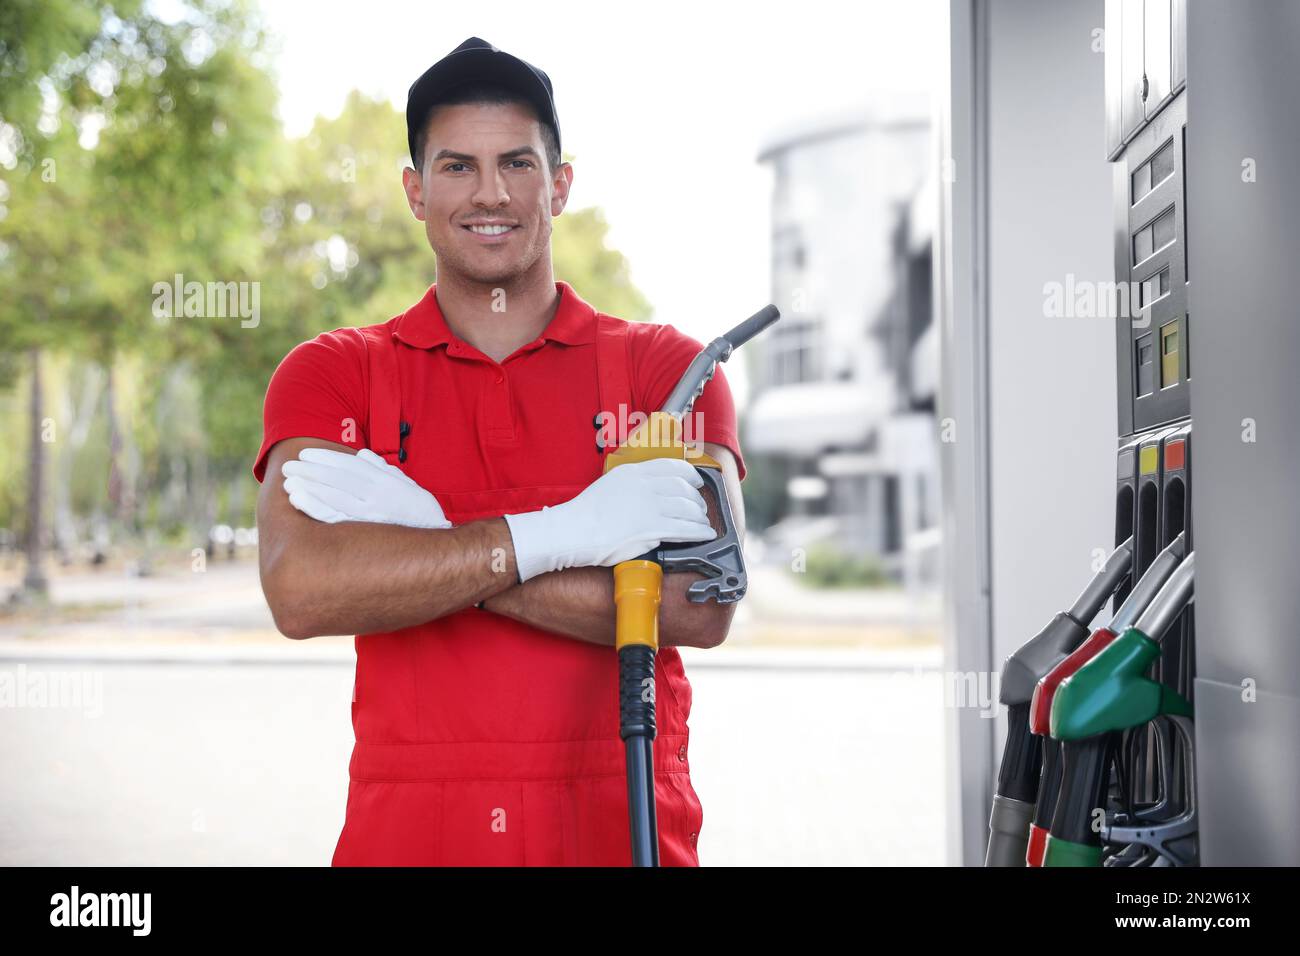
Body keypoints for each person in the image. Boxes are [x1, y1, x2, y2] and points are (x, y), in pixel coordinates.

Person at [252, 37, 747, 866]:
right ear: (415, 190)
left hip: (620, 827)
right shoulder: (334, 377)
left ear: (560, 183)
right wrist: (562, 539)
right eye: (457, 167)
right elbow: (302, 592)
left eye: (517, 163)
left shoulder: (667, 373)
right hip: (406, 837)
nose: (490, 193)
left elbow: (701, 605)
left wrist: (425, 542)